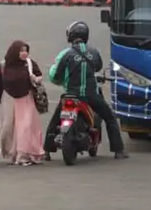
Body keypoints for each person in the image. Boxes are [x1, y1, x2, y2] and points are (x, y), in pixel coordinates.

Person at [45, 21, 128, 160]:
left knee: (54, 122)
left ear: (70, 36)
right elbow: (97, 67)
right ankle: (118, 151)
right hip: (90, 96)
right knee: (110, 118)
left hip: (70, 95)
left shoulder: (66, 54)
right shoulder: (94, 52)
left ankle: (47, 151)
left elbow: (57, 76)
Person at [0, 41, 47, 166]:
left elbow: (39, 76)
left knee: (26, 127)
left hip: (26, 98)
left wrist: (35, 79)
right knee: (8, 128)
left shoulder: (30, 64)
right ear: (14, 52)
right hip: (9, 99)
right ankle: (11, 153)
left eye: (26, 50)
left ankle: (24, 156)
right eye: (21, 50)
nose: (24, 53)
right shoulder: (4, 66)